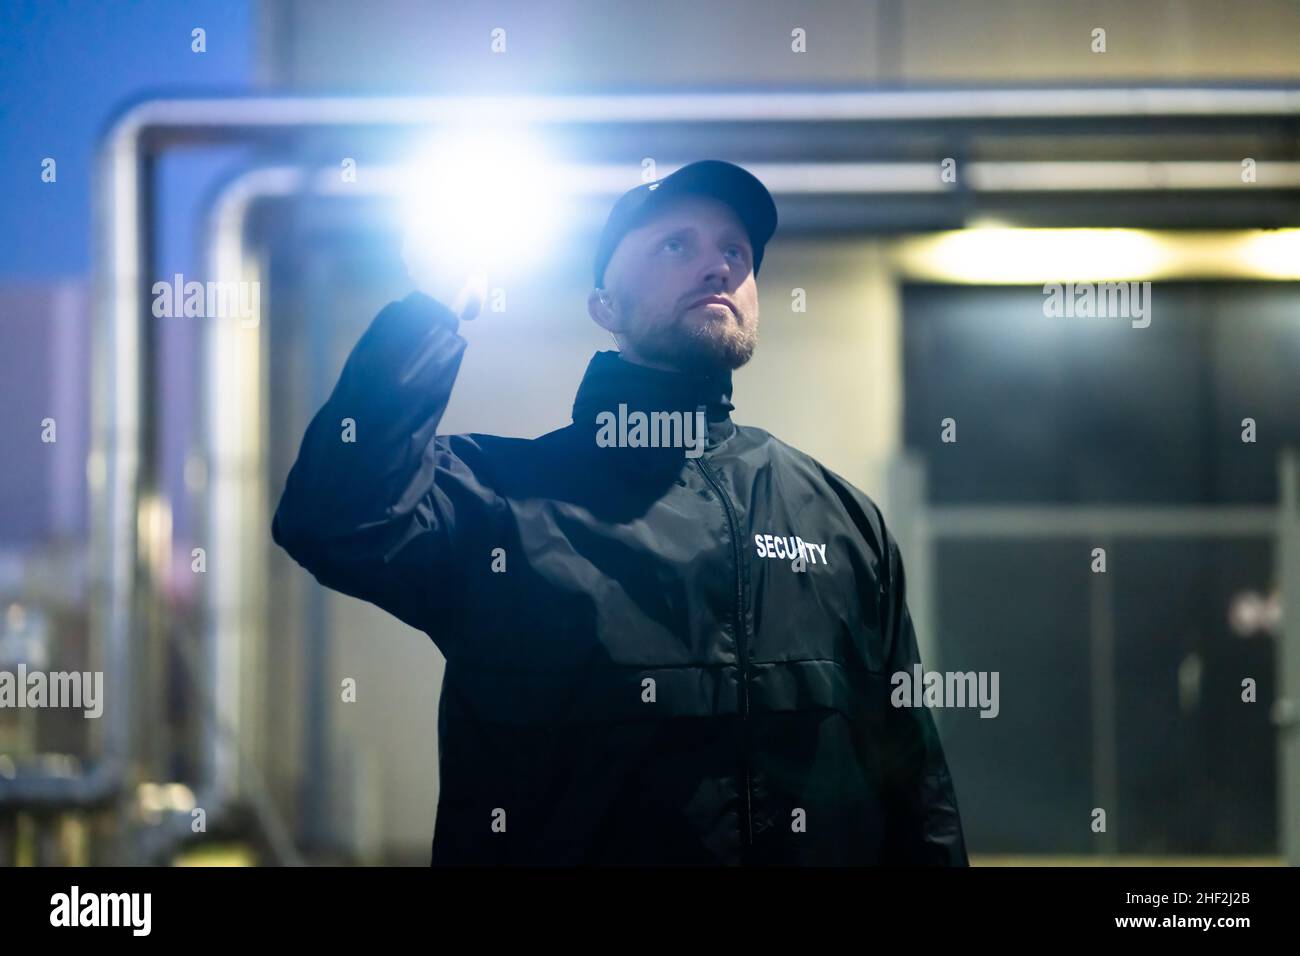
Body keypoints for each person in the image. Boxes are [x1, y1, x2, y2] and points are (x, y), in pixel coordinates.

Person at [272, 159, 968, 865]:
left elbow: (914, 780)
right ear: (603, 304)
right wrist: (430, 311)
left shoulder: (840, 521)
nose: (716, 267)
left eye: (735, 251)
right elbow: (335, 517)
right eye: (677, 245)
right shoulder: (504, 499)